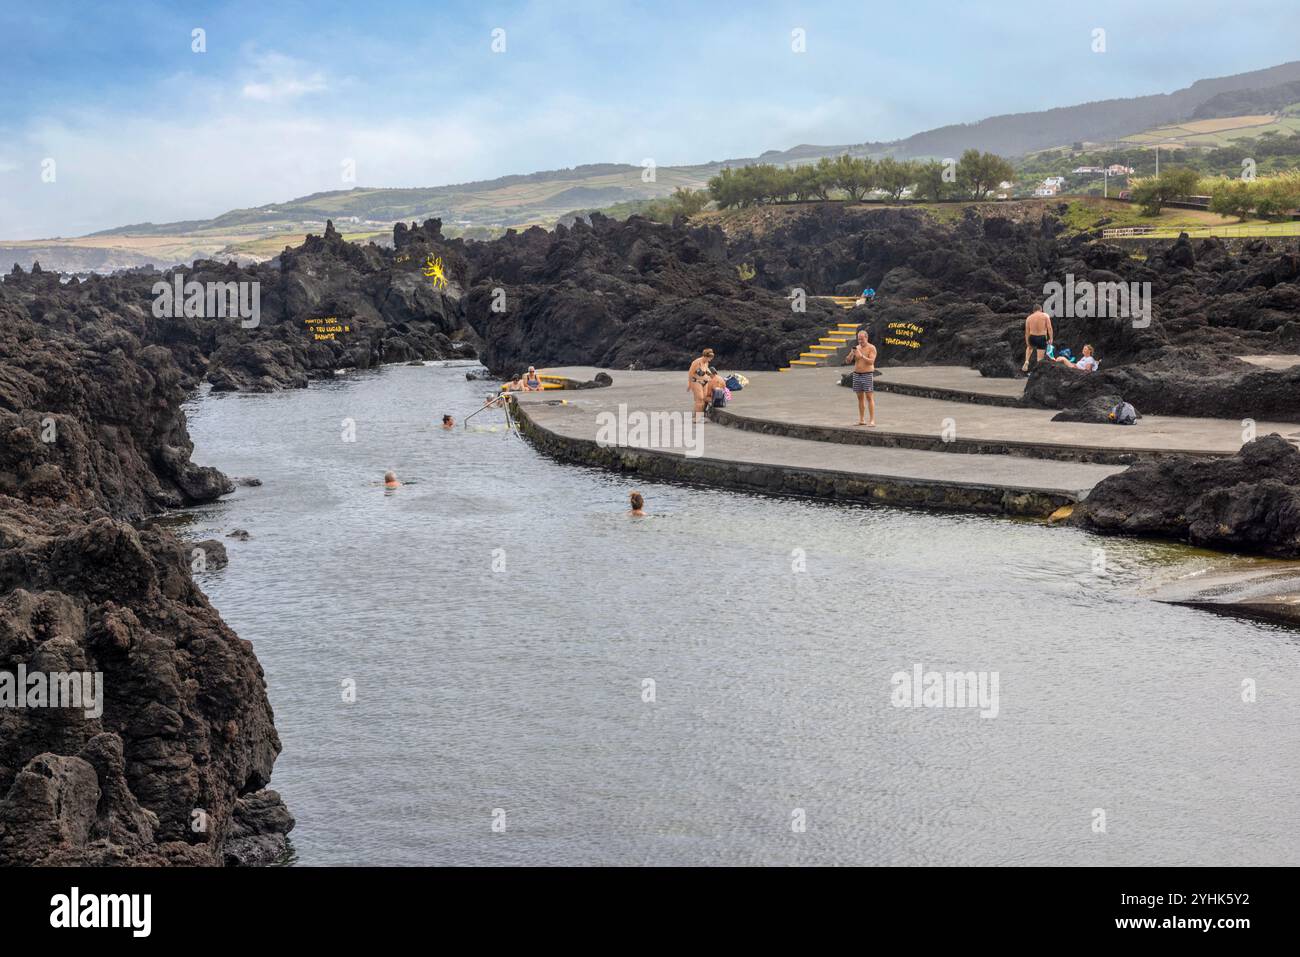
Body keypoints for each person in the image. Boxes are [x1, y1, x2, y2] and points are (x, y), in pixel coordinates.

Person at [842, 329, 877, 426]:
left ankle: (872, 420)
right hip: (857, 374)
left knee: (869, 397)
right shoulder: (856, 348)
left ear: (866, 338)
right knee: (860, 398)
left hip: (867, 374)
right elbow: (847, 361)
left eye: (862, 339)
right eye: (859, 339)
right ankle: (862, 420)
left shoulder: (871, 348)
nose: (860, 342)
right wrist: (851, 354)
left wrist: (861, 356)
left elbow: (871, 362)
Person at [1022, 305, 1054, 372]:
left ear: (1033, 311)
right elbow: (1049, 328)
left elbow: (1027, 332)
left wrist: (1027, 342)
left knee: (1029, 348)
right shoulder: (1045, 316)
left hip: (1032, 337)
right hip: (1041, 338)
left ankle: (1027, 360)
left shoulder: (1029, 318)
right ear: (1041, 309)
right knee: (1039, 359)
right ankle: (1037, 371)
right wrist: (1051, 338)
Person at [687, 348, 715, 422]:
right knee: (699, 399)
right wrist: (689, 384)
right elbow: (690, 373)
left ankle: (698, 417)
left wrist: (711, 375)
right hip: (696, 382)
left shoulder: (706, 362)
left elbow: (706, 369)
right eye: (709, 358)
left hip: (704, 382)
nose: (710, 360)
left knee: (703, 400)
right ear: (705, 356)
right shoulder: (696, 362)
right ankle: (697, 419)